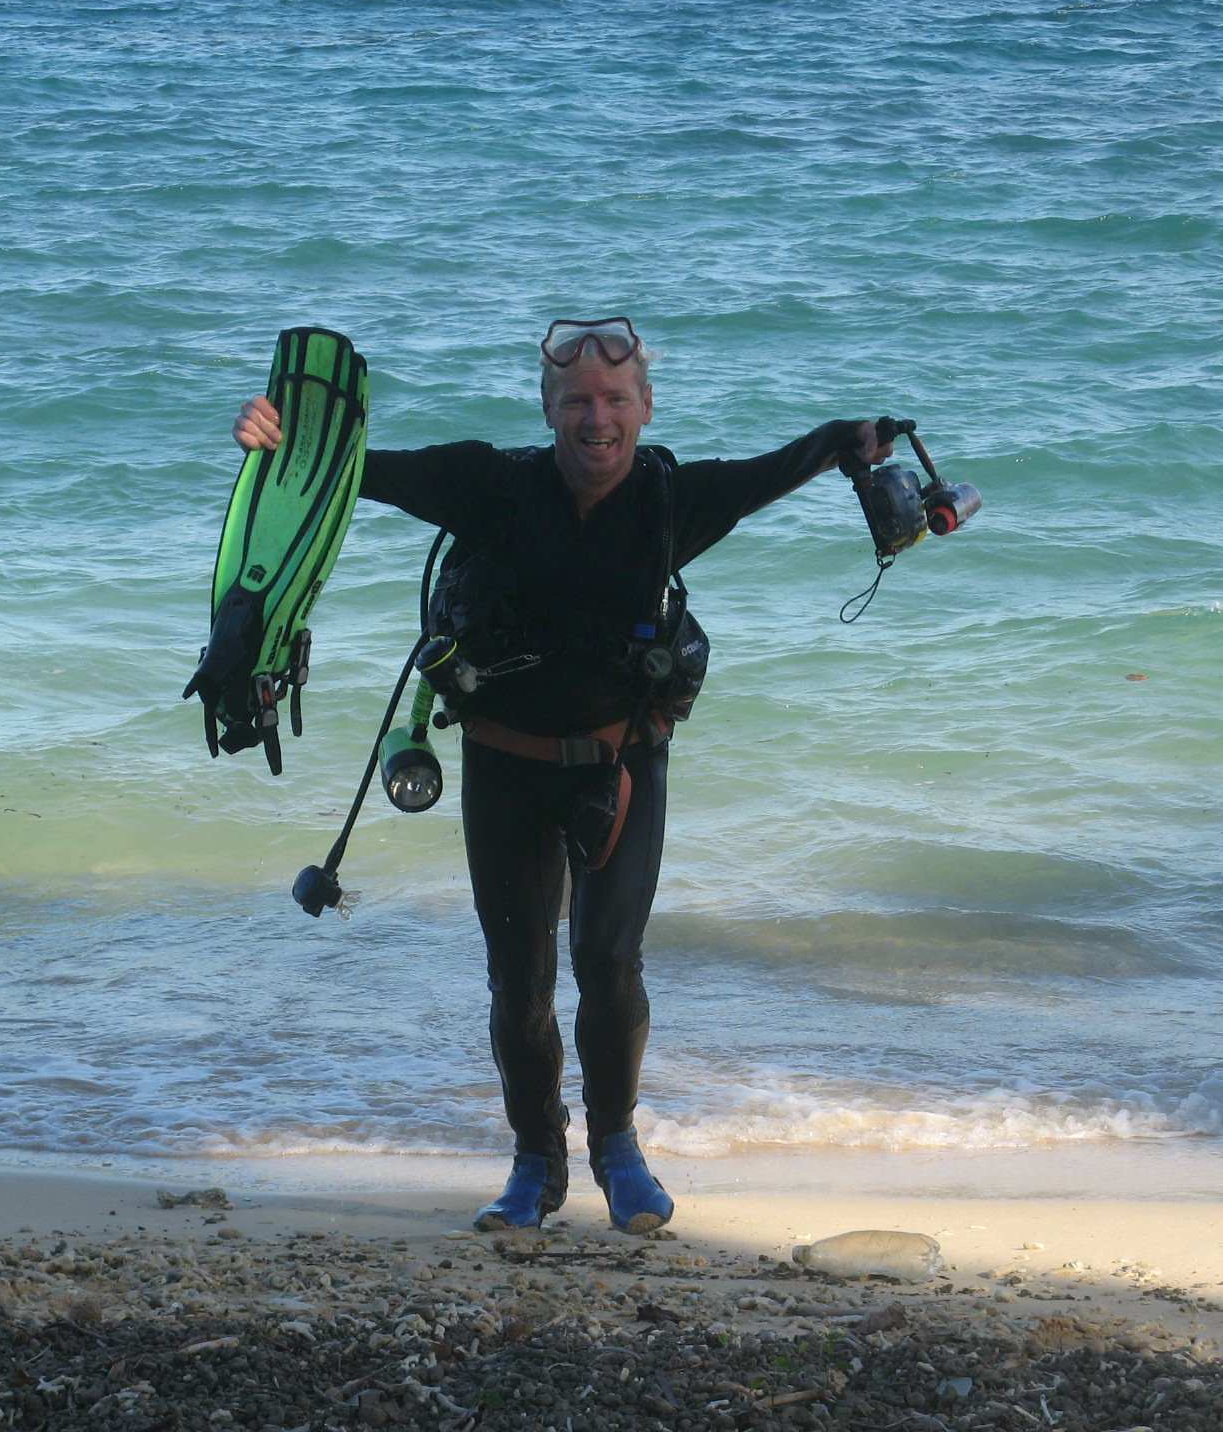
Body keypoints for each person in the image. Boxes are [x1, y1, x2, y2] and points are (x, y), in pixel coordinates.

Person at [231, 316, 895, 1233]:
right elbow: (355, 475)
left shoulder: (671, 502)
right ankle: (536, 1161)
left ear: (645, 407)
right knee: (520, 981)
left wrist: (844, 444)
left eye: (615, 400)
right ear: (546, 410)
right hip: (503, 771)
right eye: (577, 400)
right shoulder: (489, 486)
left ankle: (617, 1147)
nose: (597, 419)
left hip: (621, 770)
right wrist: (280, 437)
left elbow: (770, 473)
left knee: (609, 963)